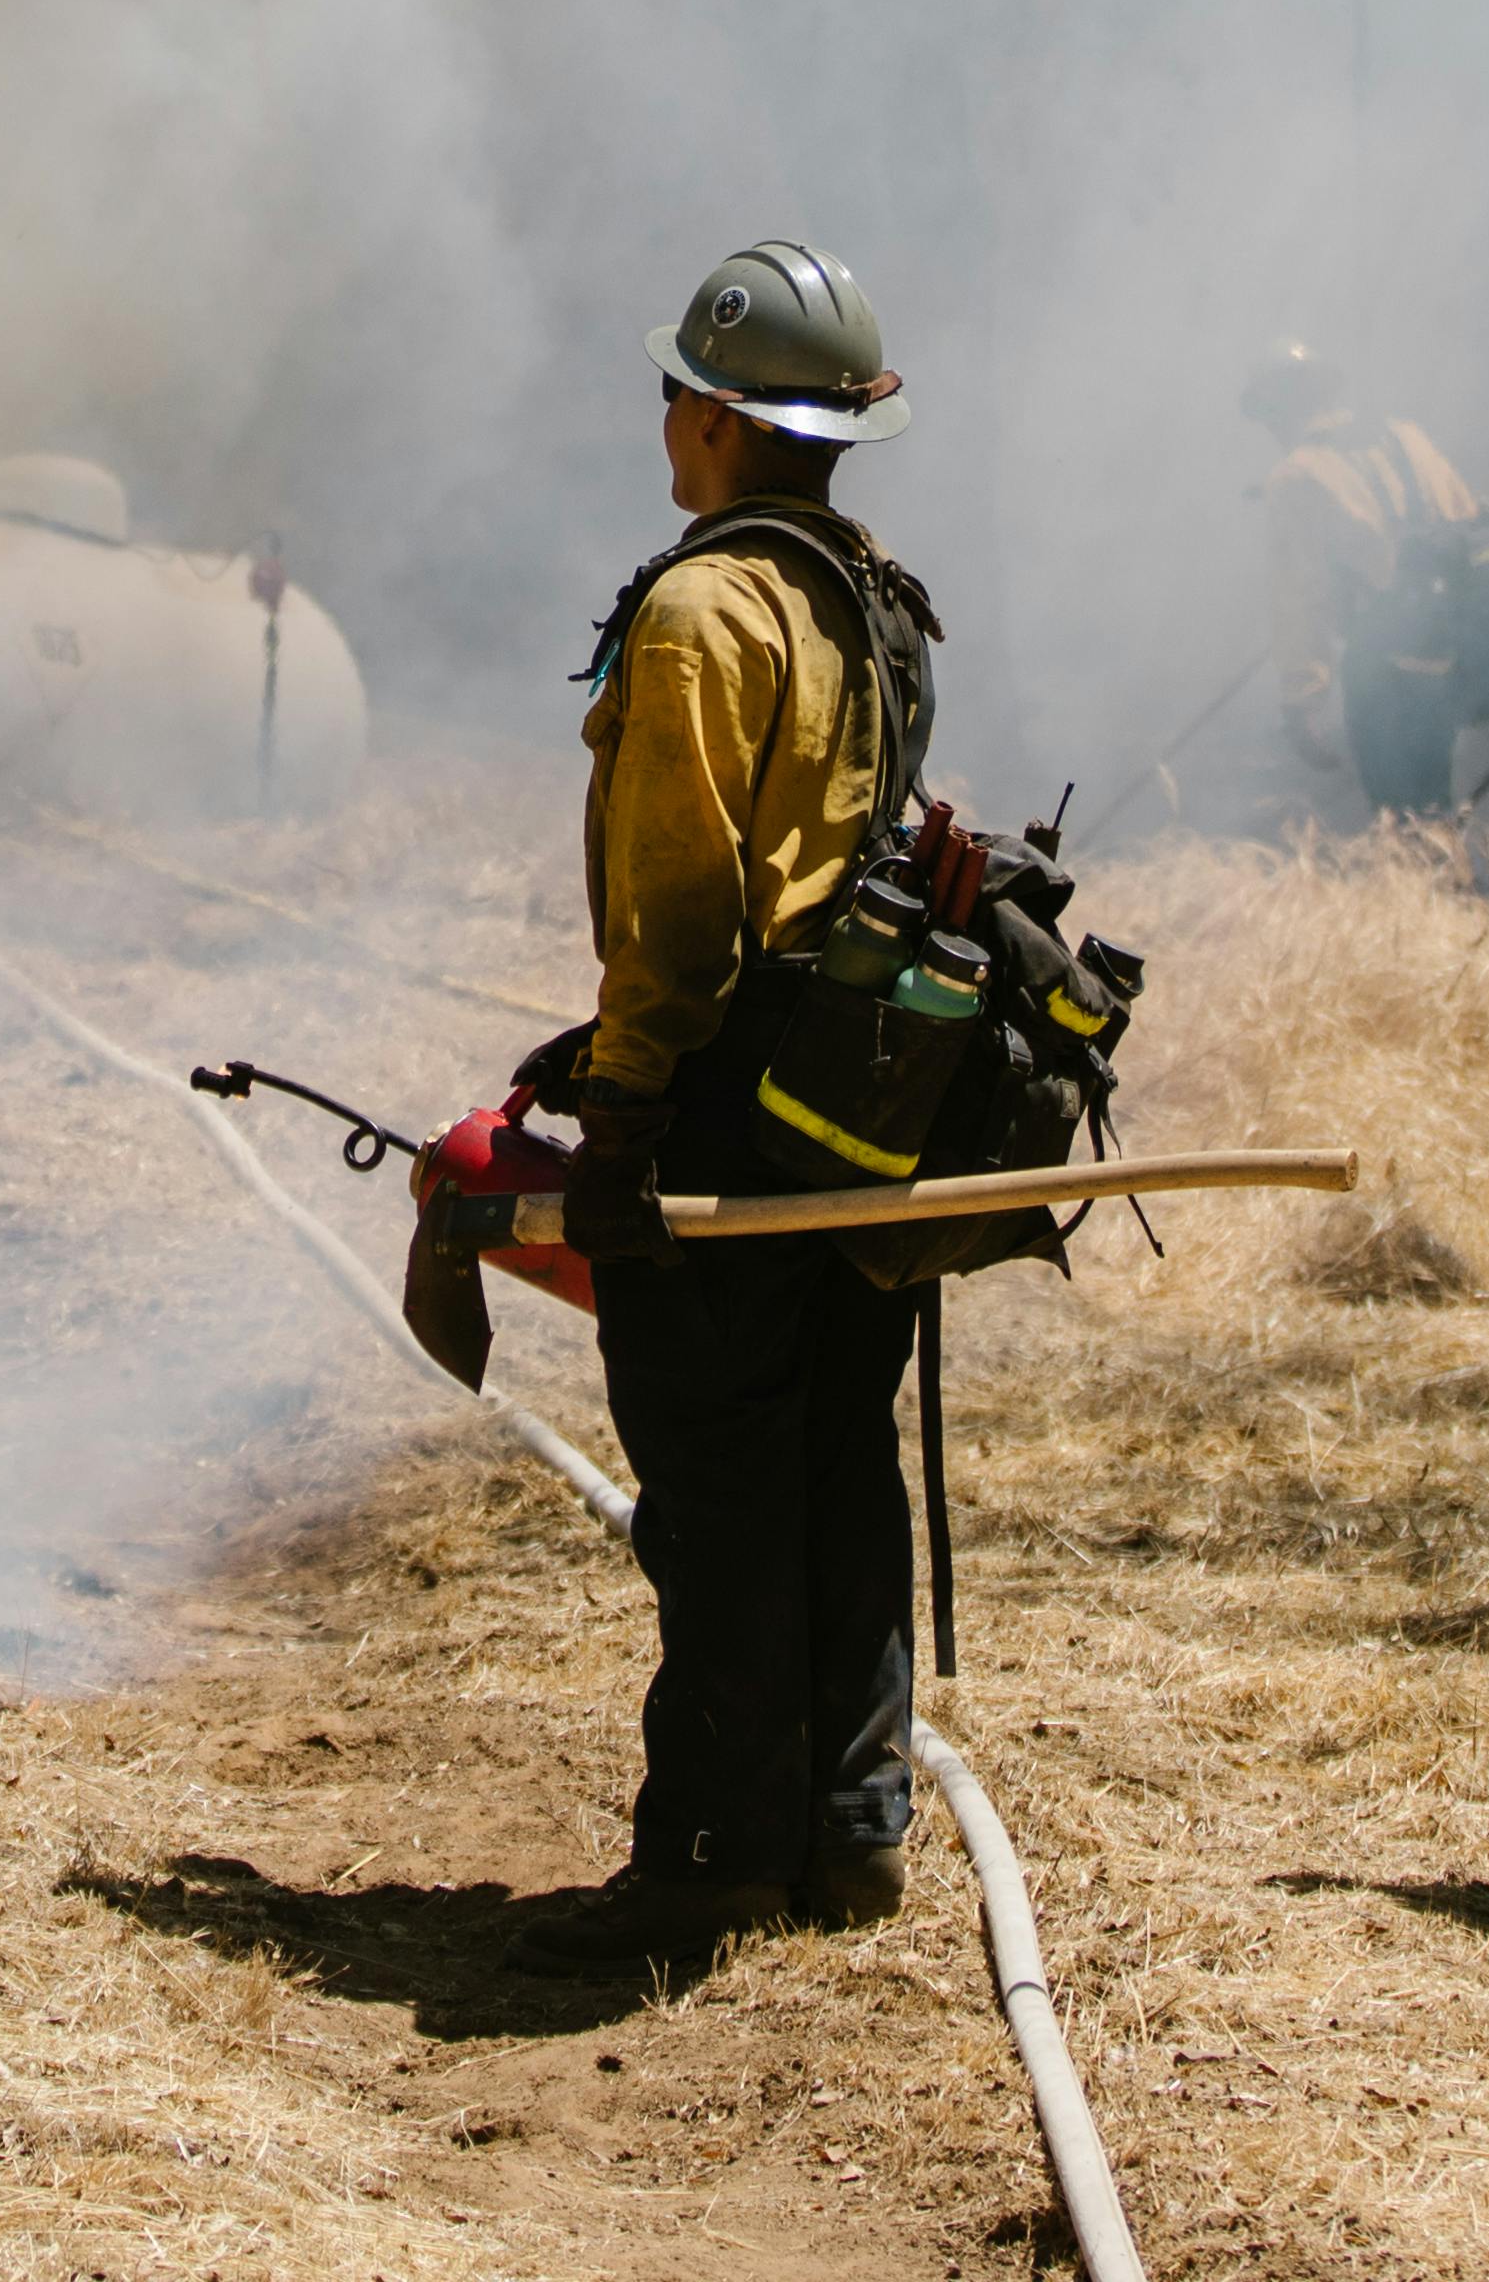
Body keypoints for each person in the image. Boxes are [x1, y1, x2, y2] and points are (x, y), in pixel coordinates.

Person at [514, 237, 936, 1969]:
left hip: (722, 1111)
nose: (664, 418)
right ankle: (848, 1835)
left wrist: (617, 1117)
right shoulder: (868, 595)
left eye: (674, 391)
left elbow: (687, 903)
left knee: (714, 1482)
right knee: (841, 1458)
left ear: (711, 414)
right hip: (850, 1111)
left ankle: (707, 1851)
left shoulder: (703, 606)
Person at [1238, 342, 1489, 816]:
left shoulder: (1294, 477)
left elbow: (1298, 599)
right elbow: (1469, 523)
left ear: (1275, 411)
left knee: (1404, 812)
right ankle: (1446, 878)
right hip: (1466, 650)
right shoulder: (1407, 437)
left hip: (1391, 664)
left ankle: (1427, 883)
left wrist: (1302, 697)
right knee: (1437, 803)